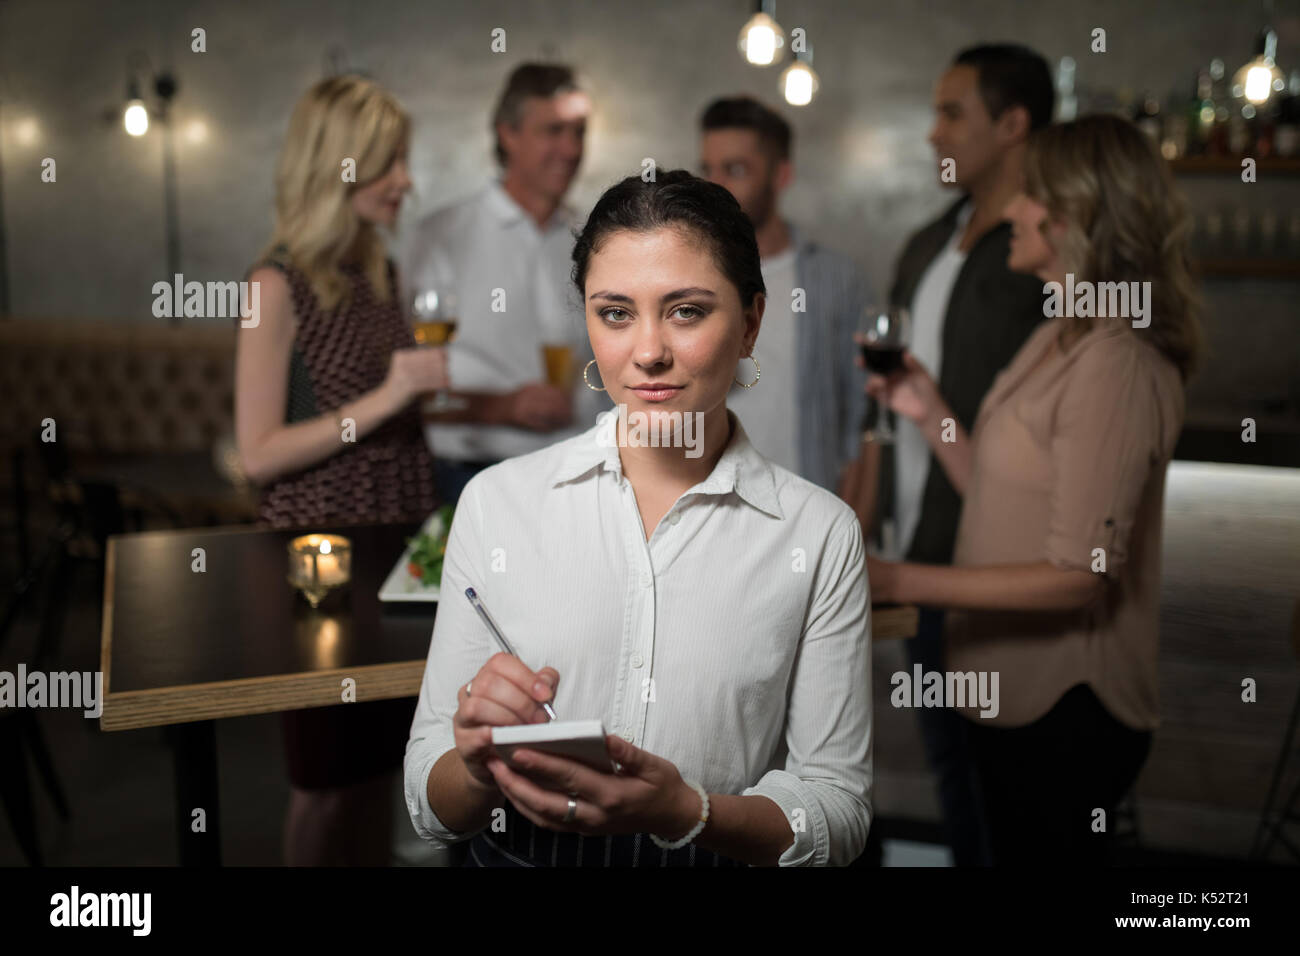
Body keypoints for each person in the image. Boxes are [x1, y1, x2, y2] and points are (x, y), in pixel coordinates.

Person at [404, 170, 873, 866]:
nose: (647, 351)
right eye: (616, 313)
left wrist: (689, 812)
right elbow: (428, 801)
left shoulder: (819, 534)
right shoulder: (498, 504)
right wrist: (473, 764)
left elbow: (838, 809)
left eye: (686, 311)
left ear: (750, 323)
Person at [864, 114, 1202, 865]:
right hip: (1008, 687)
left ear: (1078, 212)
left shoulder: (1115, 359)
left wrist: (896, 579)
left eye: (1029, 196)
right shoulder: (1063, 329)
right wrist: (929, 411)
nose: (1009, 210)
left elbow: (1080, 573)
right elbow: (994, 483)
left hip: (1067, 711)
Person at [235, 75, 446, 865]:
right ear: (341, 165)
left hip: (399, 541)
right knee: (324, 782)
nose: (407, 180)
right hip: (318, 555)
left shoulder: (377, 269)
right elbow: (258, 451)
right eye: (390, 161)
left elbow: (387, 413)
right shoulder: (272, 284)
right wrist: (394, 390)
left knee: (372, 773)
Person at [878, 43, 1055, 866]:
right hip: (920, 544)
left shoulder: (1044, 258)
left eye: (953, 113)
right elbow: (886, 409)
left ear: (1014, 123)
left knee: (1008, 782)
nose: (932, 133)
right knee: (952, 768)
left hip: (998, 560)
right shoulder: (926, 243)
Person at [403, 63, 599, 503]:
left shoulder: (597, 237)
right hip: (473, 481)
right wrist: (502, 407)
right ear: (507, 134)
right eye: (553, 130)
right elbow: (404, 387)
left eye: (579, 132)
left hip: (582, 476)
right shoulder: (441, 235)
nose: (570, 149)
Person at [697, 95, 873, 500]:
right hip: (702, 506)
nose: (714, 186)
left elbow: (864, 417)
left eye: (736, 169)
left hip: (803, 506)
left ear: (781, 175)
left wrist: (851, 523)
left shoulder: (836, 279)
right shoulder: (680, 278)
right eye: (708, 169)